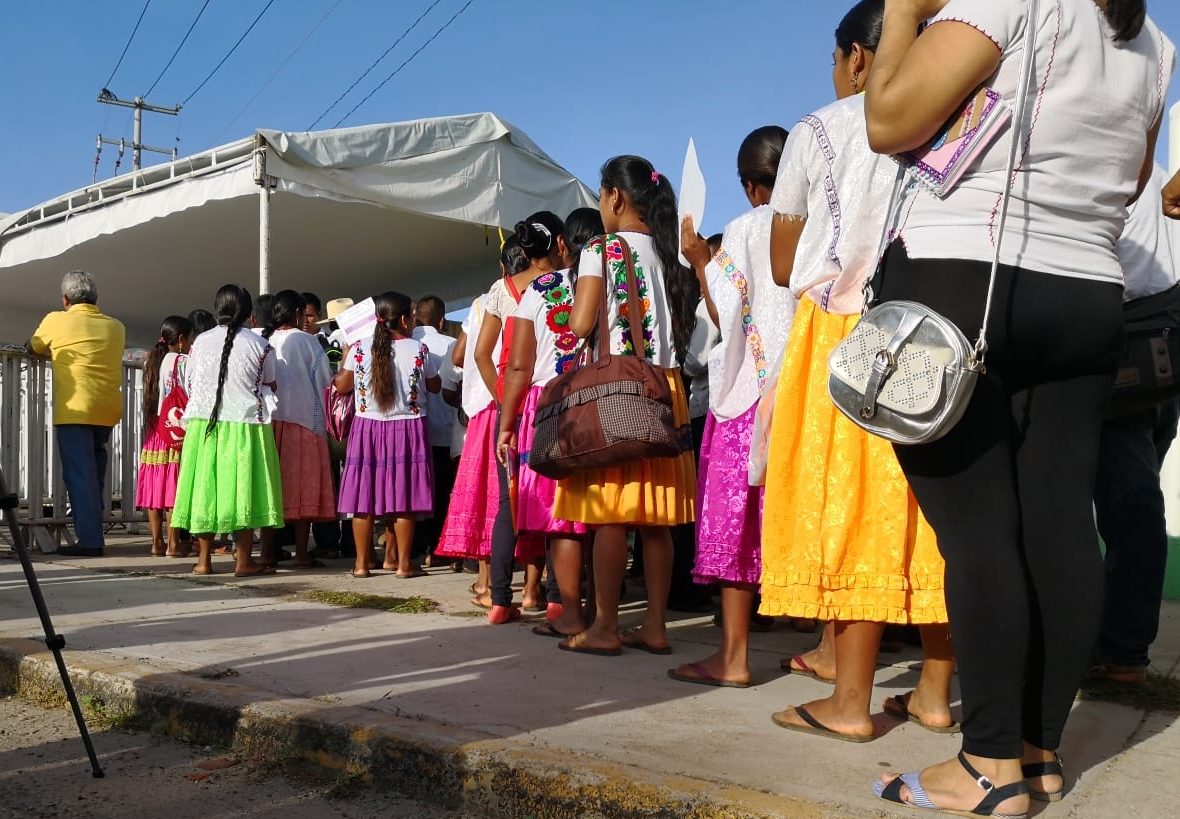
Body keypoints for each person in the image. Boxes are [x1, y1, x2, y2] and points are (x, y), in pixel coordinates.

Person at [864, 0, 1173, 814]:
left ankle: (987, 764)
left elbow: (887, 119)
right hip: (1088, 295)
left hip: (963, 278)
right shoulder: (1153, 42)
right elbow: (1131, 180)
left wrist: (902, 13)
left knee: (977, 531)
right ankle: (1038, 753)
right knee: (1061, 524)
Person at [760, 0, 956, 744]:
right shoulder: (951, 118)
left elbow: (785, 265)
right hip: (931, 330)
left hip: (845, 333)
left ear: (857, 56)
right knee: (932, 510)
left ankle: (850, 701)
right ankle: (933, 692)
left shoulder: (820, 129)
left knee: (850, 507)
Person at [553, 155, 699, 655]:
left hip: (618, 389)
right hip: (667, 389)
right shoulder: (671, 251)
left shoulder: (601, 248)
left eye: (600, 194)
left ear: (615, 196)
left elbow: (580, 323)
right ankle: (656, 626)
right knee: (656, 519)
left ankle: (605, 627)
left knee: (611, 514)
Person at [668, 125, 794, 687]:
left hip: (751, 398)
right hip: (807, 393)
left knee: (737, 521)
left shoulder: (747, 229)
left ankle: (735, 656)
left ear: (749, 186)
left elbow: (726, 316)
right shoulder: (819, 223)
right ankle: (834, 652)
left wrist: (701, 260)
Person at [1090, 164, 1180, 686]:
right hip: (1161, 345)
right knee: (1135, 504)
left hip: (1124, 348)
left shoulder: (1107, 166)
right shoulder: (1152, 168)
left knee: (1127, 506)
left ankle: (1121, 649)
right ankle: (1121, 644)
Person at [497, 208, 603, 634]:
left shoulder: (539, 290)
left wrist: (507, 422)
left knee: (559, 515)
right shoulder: (605, 281)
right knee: (596, 512)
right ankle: (598, 609)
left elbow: (519, 366)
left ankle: (566, 609)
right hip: (598, 399)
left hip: (548, 405)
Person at [477, 211, 569, 622]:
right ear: (560, 242)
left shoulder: (504, 290)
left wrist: (504, 402)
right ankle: (556, 597)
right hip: (562, 398)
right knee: (560, 498)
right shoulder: (572, 284)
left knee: (507, 502)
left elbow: (484, 354)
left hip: (517, 399)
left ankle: (500, 599)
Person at [435, 238, 529, 597]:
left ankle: (488, 580)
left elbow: (462, 355)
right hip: (526, 403)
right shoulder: (545, 291)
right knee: (524, 491)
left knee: (490, 494)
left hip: (490, 404)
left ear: (503, 267)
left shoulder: (486, 300)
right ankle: (533, 585)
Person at [171, 284, 284, 577]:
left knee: (205, 490)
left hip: (204, 424)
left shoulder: (200, 342)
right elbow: (271, 381)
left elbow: (190, 382)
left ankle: (203, 560)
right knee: (242, 490)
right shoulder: (260, 345)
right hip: (245, 424)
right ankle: (243, 560)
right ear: (248, 314)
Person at [335, 292, 441, 578]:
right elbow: (434, 386)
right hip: (408, 428)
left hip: (366, 429)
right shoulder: (419, 349)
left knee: (362, 499)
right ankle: (403, 565)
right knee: (404, 499)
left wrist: (346, 356)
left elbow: (342, 386)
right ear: (404, 319)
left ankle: (361, 564)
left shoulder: (359, 347)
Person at [28, 271, 126, 558]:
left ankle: (90, 540)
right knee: (94, 474)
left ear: (65, 300)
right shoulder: (116, 327)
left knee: (79, 476)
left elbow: (34, 345)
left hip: (76, 410)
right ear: (95, 298)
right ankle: (92, 529)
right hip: (106, 409)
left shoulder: (56, 320)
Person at [261, 290, 336, 569]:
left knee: (271, 489)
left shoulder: (266, 341)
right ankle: (302, 553)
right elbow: (325, 381)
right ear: (296, 314)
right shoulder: (307, 342)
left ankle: (268, 551)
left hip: (270, 423)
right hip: (305, 421)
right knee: (303, 489)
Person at [136, 315, 194, 558]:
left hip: (154, 432)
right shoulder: (183, 361)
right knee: (172, 488)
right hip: (174, 430)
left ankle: (156, 542)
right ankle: (173, 543)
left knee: (154, 488)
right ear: (181, 339)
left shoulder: (152, 361)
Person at [412, 294, 458, 565]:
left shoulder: (406, 343)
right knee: (442, 493)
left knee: (416, 492)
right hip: (446, 432)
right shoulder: (451, 344)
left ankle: (414, 547)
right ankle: (438, 549)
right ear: (442, 321)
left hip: (414, 432)